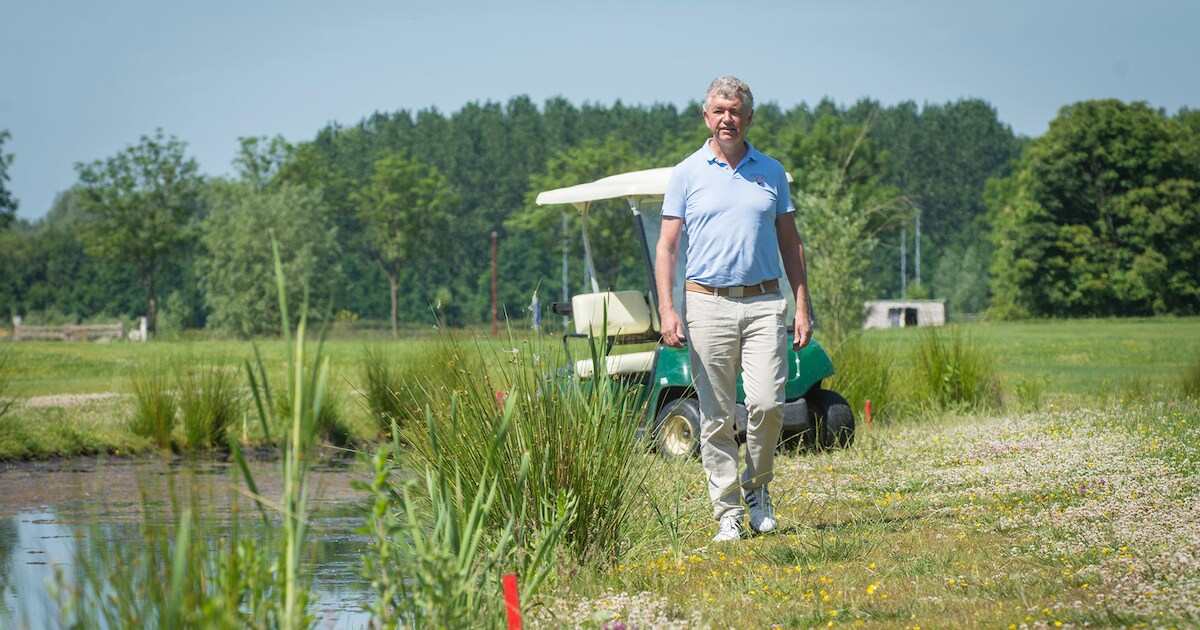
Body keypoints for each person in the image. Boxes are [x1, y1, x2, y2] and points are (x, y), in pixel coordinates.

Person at [655, 76, 812, 542]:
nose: (728, 118)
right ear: (707, 116)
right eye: (719, 110)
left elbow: (791, 243)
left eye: (736, 111)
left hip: (765, 302)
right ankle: (728, 512)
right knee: (718, 413)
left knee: (766, 403)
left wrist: (802, 304)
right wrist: (668, 308)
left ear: (749, 118)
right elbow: (666, 248)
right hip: (706, 303)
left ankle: (758, 491)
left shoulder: (772, 171)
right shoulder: (686, 173)